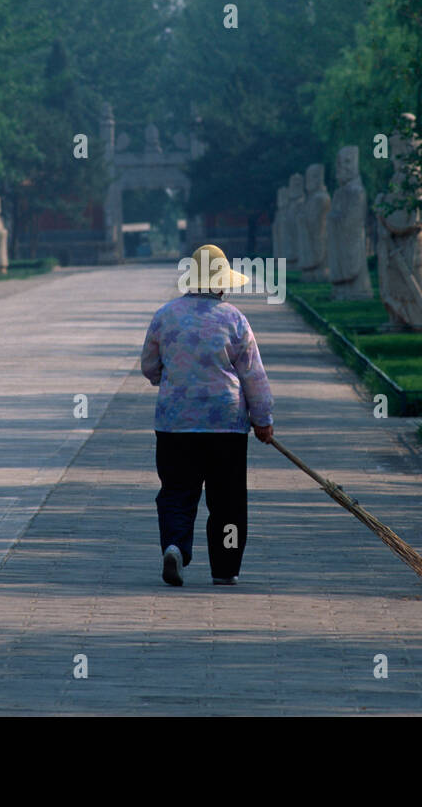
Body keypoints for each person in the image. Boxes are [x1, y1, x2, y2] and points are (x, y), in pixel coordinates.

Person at [140, 244, 274, 587]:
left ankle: (174, 546)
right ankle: (225, 568)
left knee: (176, 492)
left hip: (175, 424)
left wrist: (165, 378)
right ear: (218, 284)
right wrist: (263, 419)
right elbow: (253, 376)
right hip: (225, 426)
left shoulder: (165, 316)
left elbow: (149, 366)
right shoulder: (234, 319)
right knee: (227, 500)